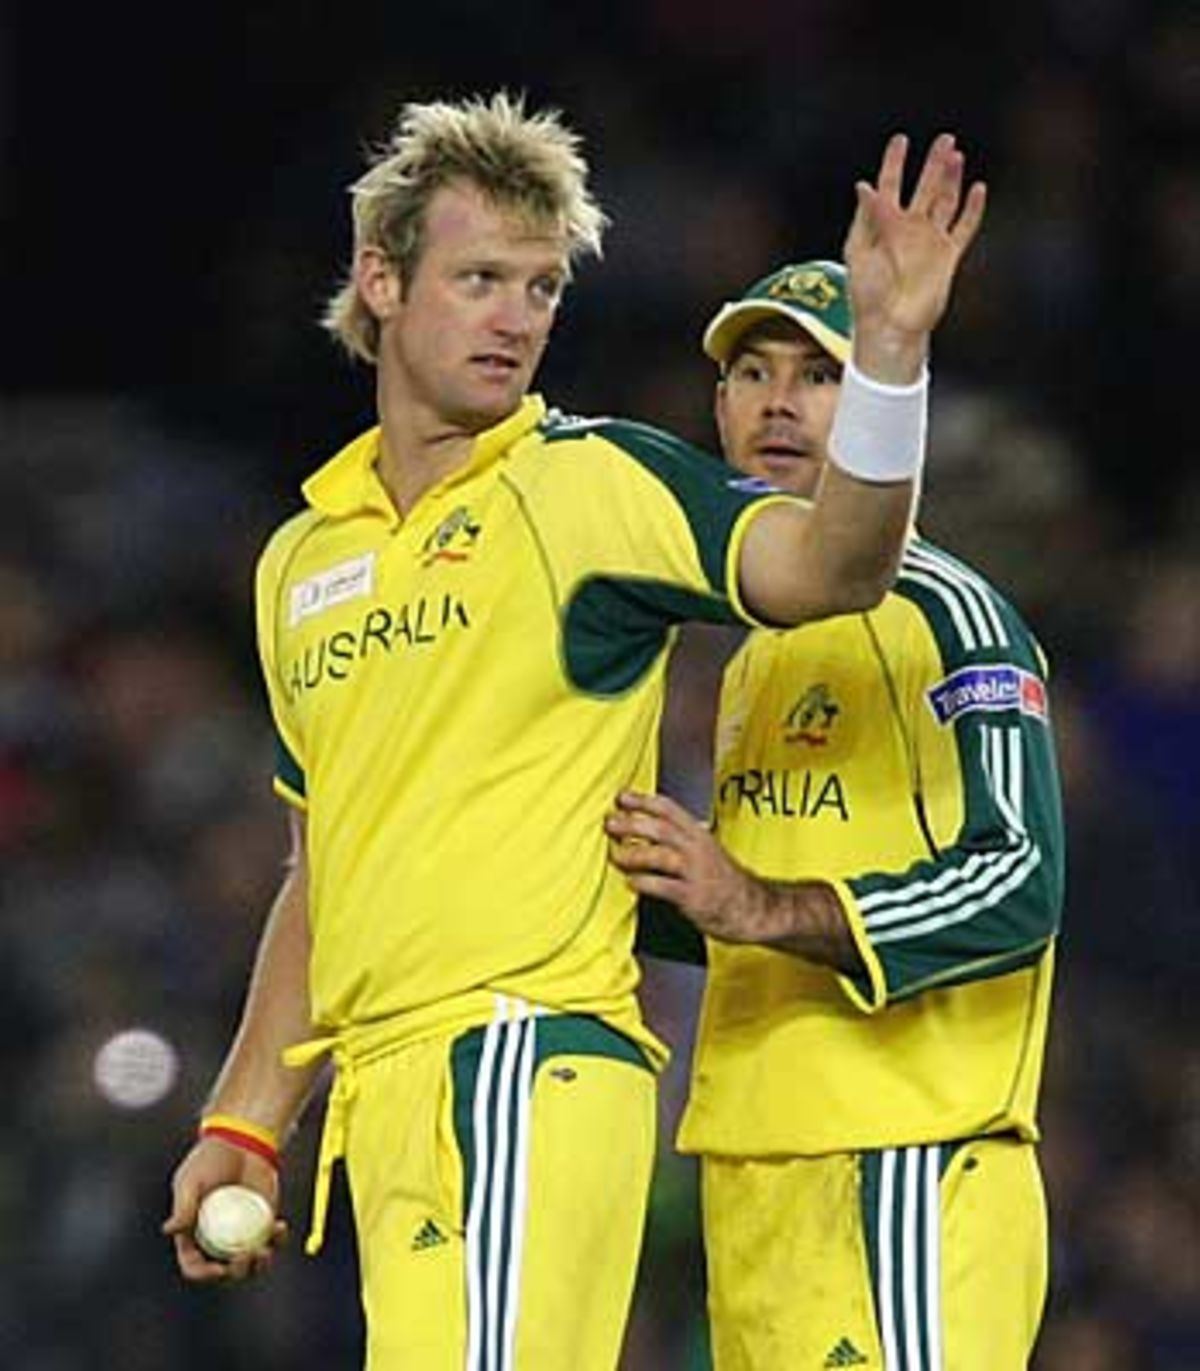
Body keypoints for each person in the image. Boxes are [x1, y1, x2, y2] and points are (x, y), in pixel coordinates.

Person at [163, 90, 986, 1371]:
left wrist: (887, 364)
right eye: (481, 278)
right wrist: (252, 1120)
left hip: (518, 1058)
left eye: (542, 290)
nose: (514, 319)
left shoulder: (592, 484)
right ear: (381, 280)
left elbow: (837, 568)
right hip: (385, 1099)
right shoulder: (299, 562)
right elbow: (325, 869)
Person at [607, 258, 1064, 1369]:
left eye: (818, 373)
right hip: (755, 1173)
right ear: (715, 409)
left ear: (883, 401)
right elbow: (742, 914)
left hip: (904, 1157)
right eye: (752, 372)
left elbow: (1019, 880)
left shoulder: (946, 610)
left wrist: (755, 901)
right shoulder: (753, 646)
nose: (776, 400)